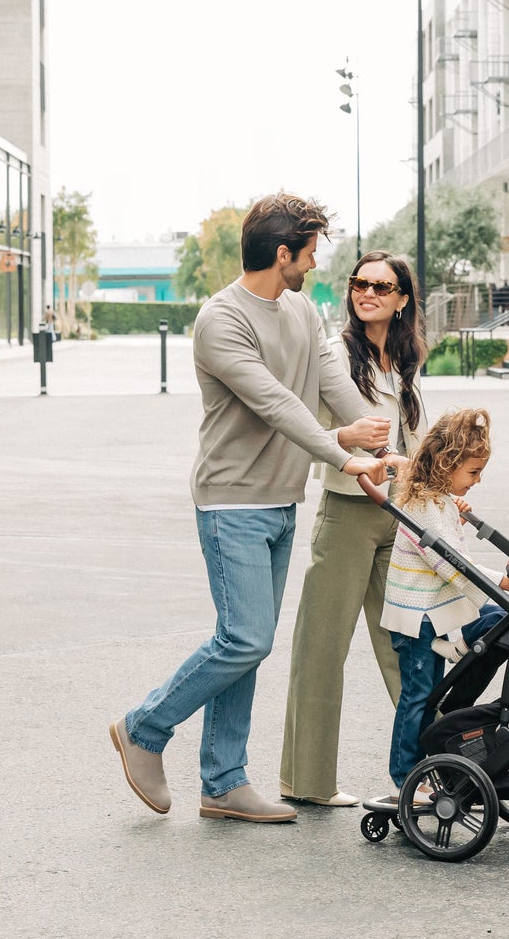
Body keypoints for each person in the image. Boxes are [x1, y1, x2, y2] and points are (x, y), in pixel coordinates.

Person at [108, 194, 401, 824]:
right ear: (282, 253)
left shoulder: (299, 310)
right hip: (231, 501)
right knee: (245, 637)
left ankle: (224, 782)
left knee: (245, 643)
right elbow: (275, 403)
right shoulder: (221, 321)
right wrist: (341, 456)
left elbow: (332, 387)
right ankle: (143, 729)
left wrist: (387, 449)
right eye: (311, 251)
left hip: (280, 501)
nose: (316, 264)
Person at [278, 251, 427, 808]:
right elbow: (324, 424)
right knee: (322, 648)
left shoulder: (406, 358)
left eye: (381, 287)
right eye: (360, 284)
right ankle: (306, 781)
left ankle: (430, 770)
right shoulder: (338, 352)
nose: (367, 294)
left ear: (402, 299)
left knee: (407, 646)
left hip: (400, 516)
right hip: (347, 512)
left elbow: (415, 437)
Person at [380, 408, 509, 797]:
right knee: (419, 694)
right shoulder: (423, 508)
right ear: (446, 464)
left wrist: (452, 504)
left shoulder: (437, 501)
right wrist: (504, 582)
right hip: (420, 620)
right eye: (472, 472)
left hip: (440, 613)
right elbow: (452, 564)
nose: (478, 480)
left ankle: (453, 718)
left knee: (500, 621)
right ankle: (407, 775)